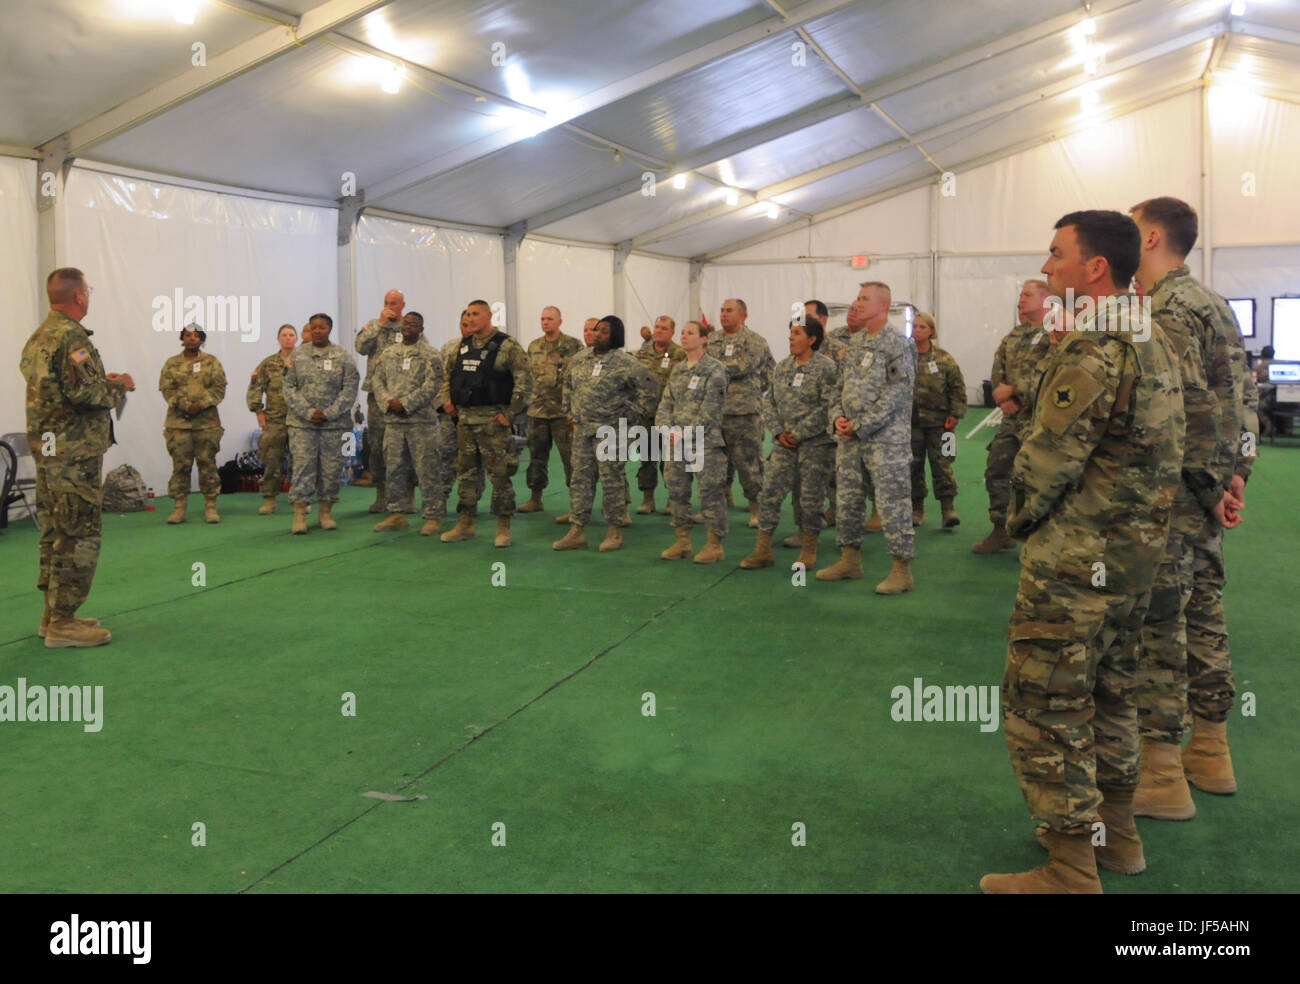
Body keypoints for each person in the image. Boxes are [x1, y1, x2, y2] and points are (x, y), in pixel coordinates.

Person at [981, 210, 1184, 894]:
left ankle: (1069, 868)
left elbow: (1047, 458)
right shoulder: (1150, 333)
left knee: (1045, 703)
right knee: (1112, 695)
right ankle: (1117, 839)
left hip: (1076, 562)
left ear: (1094, 268)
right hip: (1133, 559)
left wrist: (1020, 519)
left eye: (1056, 254)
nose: (1046, 268)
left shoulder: (1092, 344)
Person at [1127, 196, 1249, 815]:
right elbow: (1240, 397)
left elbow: (1186, 412)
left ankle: (1164, 774)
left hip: (1174, 495)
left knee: (1161, 627)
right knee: (1203, 616)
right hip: (1208, 490)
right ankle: (1211, 751)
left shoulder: (1164, 310)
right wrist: (1235, 480)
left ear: (1150, 238)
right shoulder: (1214, 303)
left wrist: (1202, 486)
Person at [20, 267, 133, 647]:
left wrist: (99, 382)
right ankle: (63, 625)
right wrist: (118, 385)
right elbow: (86, 395)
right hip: (73, 453)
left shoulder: (40, 336)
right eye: (89, 290)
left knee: (54, 530)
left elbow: (57, 389)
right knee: (79, 532)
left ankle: (53, 613)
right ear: (80, 296)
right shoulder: (71, 338)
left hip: (50, 448)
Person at [818, 282, 916, 593]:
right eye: (857, 298)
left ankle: (901, 571)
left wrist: (860, 423)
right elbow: (837, 386)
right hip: (849, 438)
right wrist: (838, 418)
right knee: (848, 500)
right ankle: (850, 560)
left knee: (892, 503)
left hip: (885, 439)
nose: (856, 304)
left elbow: (899, 392)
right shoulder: (854, 343)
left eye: (864, 299)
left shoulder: (898, 343)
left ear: (883, 306)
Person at [741, 318, 838, 571]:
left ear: (812, 339)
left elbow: (828, 406)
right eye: (790, 333)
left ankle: (809, 549)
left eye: (797, 333)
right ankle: (763, 549)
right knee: (769, 493)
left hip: (816, 445)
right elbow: (769, 402)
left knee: (811, 498)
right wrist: (781, 431)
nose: (791, 338)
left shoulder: (826, 368)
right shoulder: (783, 367)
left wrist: (799, 432)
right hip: (784, 443)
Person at [554, 316, 657, 553]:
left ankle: (614, 531)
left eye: (603, 331)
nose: (597, 334)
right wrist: (569, 412)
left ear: (615, 336)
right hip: (583, 430)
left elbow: (650, 390)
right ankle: (577, 530)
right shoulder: (580, 359)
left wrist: (632, 416)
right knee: (580, 480)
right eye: (595, 330)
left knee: (611, 482)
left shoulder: (626, 363)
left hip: (611, 431)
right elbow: (567, 385)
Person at [439, 300, 533, 547]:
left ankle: (503, 526)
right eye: (467, 314)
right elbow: (448, 375)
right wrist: (447, 400)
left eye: (476, 314)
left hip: (493, 422)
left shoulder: (507, 346)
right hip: (465, 421)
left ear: (489, 316)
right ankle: (465, 523)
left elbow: (525, 383)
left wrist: (510, 415)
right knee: (466, 474)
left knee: (500, 474)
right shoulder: (462, 345)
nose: (470, 318)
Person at [973, 280, 1053, 553]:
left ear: (1046, 299)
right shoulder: (1014, 335)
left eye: (1028, 295)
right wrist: (1002, 394)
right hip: (1012, 419)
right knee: (997, 470)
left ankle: (1039, 538)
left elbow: (1055, 376)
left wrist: (1015, 390)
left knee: (1037, 479)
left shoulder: (1057, 332)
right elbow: (998, 368)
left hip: (1041, 420)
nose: (1021, 300)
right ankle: (1000, 529)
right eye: (1020, 295)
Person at [657, 321, 729, 563]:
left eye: (690, 333)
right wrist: (667, 430)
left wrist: (684, 434)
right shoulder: (677, 370)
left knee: (710, 493)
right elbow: (665, 405)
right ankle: (683, 542)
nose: (684, 337)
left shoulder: (714, 369)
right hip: (676, 443)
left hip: (704, 442)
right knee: (677, 491)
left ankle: (714, 545)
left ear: (704, 339)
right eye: (683, 333)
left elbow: (710, 411)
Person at [371, 312, 447, 536]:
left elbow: (433, 384)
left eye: (414, 325)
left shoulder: (431, 355)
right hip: (393, 423)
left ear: (421, 329)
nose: (408, 328)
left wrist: (406, 403)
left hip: (420, 422)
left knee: (427, 469)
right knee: (394, 468)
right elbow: (377, 380)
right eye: (406, 324)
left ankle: (433, 516)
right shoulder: (388, 353)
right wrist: (387, 401)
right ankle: (397, 514)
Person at [283, 313, 359, 533]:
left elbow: (350, 388)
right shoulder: (297, 356)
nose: (317, 331)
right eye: (313, 327)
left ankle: (325, 512)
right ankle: (300, 513)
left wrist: (329, 413)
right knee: (302, 467)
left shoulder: (343, 356)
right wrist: (308, 412)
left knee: (331, 469)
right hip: (302, 425)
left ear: (329, 329)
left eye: (322, 327)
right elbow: (288, 388)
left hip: (335, 426)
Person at [706, 298, 774, 527]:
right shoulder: (712, 339)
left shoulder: (754, 341)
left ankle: (756, 507)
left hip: (744, 413)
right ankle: (719, 505)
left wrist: (748, 392)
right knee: (715, 463)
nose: (724, 314)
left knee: (749, 463)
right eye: (722, 310)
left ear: (743, 315)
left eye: (729, 311)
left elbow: (748, 368)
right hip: (715, 412)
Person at [158, 324, 227, 524]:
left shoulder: (212, 362)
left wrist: (201, 405)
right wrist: (185, 405)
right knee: (180, 466)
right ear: (182, 338)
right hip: (179, 424)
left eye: (196, 336)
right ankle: (179, 508)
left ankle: (211, 507)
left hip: (206, 424)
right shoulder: (172, 363)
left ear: (202, 339)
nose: (192, 339)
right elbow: (166, 389)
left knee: (207, 465)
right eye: (188, 335)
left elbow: (219, 388)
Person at [520, 306, 583, 513]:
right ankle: (535, 498)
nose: (545, 322)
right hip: (538, 411)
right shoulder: (534, 346)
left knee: (570, 458)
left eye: (549, 319)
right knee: (537, 457)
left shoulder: (573, 346)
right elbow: (527, 376)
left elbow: (580, 377)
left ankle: (577, 503)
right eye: (542, 319)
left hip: (563, 413)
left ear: (559, 321)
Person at [909, 312, 967, 528]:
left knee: (943, 465)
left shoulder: (944, 358)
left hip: (941, 425)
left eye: (922, 327)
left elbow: (957, 388)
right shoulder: (904, 357)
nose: (917, 331)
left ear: (932, 331)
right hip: (911, 425)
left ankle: (948, 510)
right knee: (913, 467)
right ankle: (917, 510)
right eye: (914, 327)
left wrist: (955, 414)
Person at [355, 289, 405, 512]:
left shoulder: (410, 327)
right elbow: (361, 347)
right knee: (377, 446)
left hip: (403, 398)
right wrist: (380, 325)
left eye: (394, 303)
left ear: (402, 305)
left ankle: (406, 495)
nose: (390, 306)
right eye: (386, 302)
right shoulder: (373, 325)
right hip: (377, 397)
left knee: (404, 447)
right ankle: (381, 494)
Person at [632, 315, 686, 513]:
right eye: (657, 327)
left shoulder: (680, 354)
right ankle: (648, 499)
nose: (659, 331)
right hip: (645, 414)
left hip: (670, 416)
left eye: (664, 328)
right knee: (647, 458)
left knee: (671, 460)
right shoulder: (643, 353)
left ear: (672, 332)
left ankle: (673, 499)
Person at [247, 323, 297, 514]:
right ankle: (269, 499)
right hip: (275, 418)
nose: (287, 338)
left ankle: (299, 497)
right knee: (272, 460)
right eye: (284, 335)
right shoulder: (268, 364)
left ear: (296, 338)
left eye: (291, 335)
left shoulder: (304, 361)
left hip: (299, 419)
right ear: (278, 339)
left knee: (299, 460)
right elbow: (255, 387)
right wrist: (258, 411)